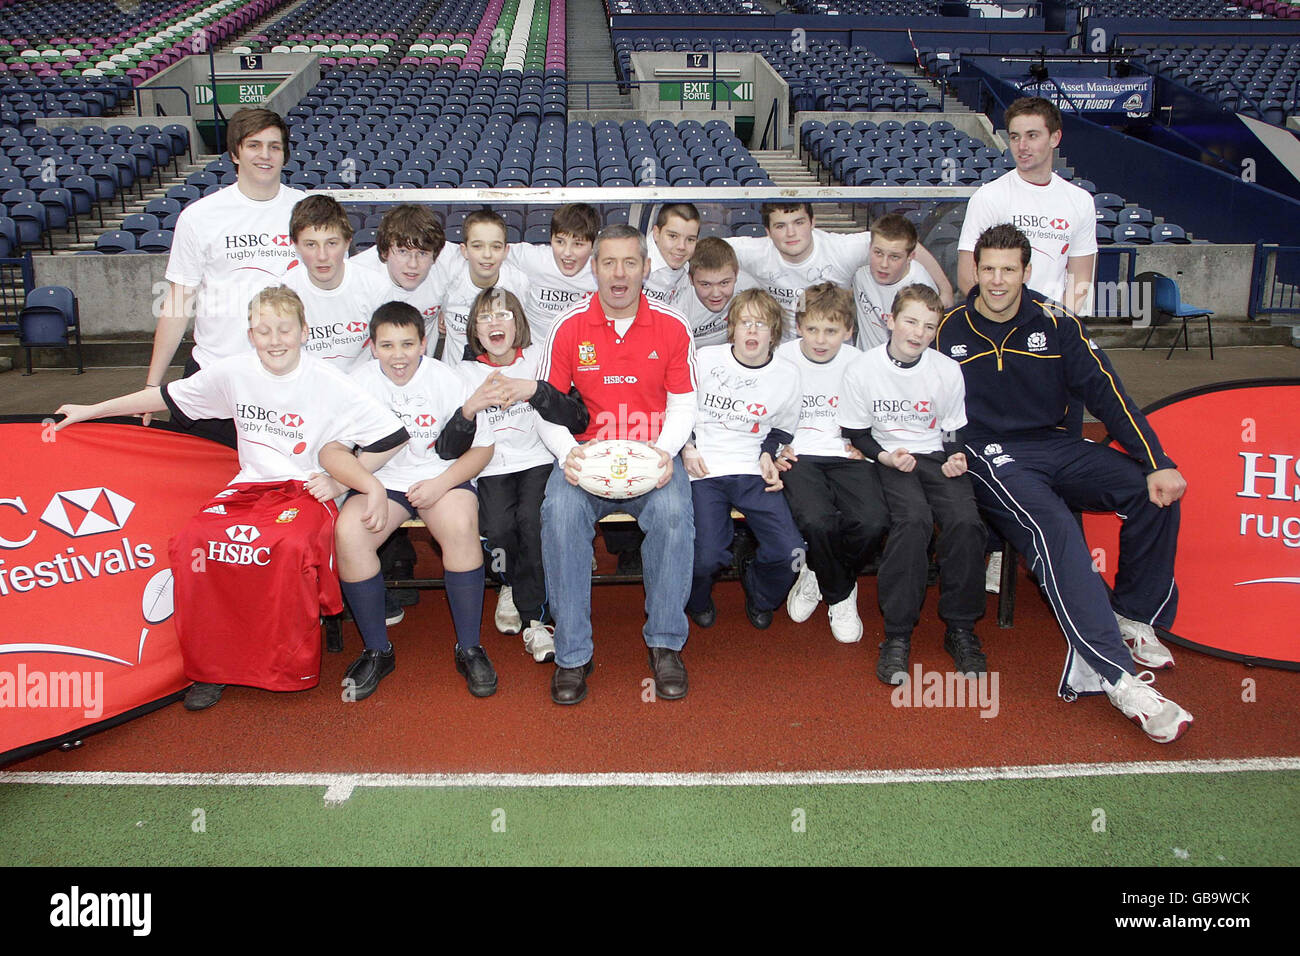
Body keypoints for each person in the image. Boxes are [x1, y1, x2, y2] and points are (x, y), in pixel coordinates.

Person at [55, 286, 408, 711]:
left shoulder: (328, 381)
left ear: (304, 331)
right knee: (193, 542)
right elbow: (165, 396)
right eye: (263, 331)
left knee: (287, 548)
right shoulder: (233, 372)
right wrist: (90, 410)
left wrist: (338, 484)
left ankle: (283, 665)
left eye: (284, 330)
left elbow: (393, 437)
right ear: (250, 334)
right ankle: (212, 668)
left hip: (302, 491)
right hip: (248, 487)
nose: (275, 340)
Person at [937, 224, 1192, 743]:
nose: (998, 280)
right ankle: (1118, 676)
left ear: (1027, 272)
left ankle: (1133, 616)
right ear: (976, 271)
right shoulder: (950, 329)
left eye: (1009, 269)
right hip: (990, 453)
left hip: (1055, 444)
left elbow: (1108, 394)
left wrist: (1156, 459)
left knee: (1151, 491)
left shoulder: (1058, 323)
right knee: (1053, 526)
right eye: (988, 269)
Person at [535, 224, 697, 706]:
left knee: (672, 515)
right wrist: (569, 455)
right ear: (595, 268)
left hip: (651, 460)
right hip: (586, 460)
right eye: (609, 263)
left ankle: (666, 642)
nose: (619, 274)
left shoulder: (672, 325)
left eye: (630, 262)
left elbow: (684, 403)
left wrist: (663, 454)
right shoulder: (568, 327)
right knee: (559, 514)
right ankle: (571, 652)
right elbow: (547, 406)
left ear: (647, 268)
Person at [328, 302, 497, 700]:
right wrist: (364, 483)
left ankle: (469, 646)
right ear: (372, 346)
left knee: (460, 525)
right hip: (381, 481)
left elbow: (483, 449)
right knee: (349, 533)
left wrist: (441, 484)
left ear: (425, 343)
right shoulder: (358, 382)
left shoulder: (447, 379)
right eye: (387, 345)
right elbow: (334, 449)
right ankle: (377, 648)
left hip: (440, 478)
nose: (398, 355)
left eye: (407, 343)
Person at [838, 284, 987, 684]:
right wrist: (884, 456)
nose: (918, 333)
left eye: (928, 326)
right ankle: (898, 635)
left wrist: (957, 457)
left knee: (966, 522)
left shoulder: (947, 370)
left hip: (935, 457)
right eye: (910, 321)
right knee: (913, 522)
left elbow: (954, 431)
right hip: (889, 457)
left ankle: (960, 628)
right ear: (890, 321)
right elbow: (856, 432)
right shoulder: (863, 369)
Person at [145, 108, 304, 446]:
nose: (265, 155)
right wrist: (152, 385)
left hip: (287, 380)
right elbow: (177, 302)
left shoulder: (308, 212)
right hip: (213, 377)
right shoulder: (200, 217)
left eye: (275, 147)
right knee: (201, 485)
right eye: (254, 145)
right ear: (235, 153)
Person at [457, 286, 590, 662]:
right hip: (489, 465)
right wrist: (470, 408)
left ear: (518, 324)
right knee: (498, 529)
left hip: (536, 459)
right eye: (485, 317)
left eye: (503, 315)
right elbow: (450, 442)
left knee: (532, 522)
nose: (495, 323)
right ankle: (509, 583)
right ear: (475, 330)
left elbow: (577, 415)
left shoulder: (537, 358)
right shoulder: (464, 372)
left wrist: (535, 391)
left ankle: (536, 620)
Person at [774, 282, 890, 643]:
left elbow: (882, 411)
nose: (820, 340)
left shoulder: (861, 363)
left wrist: (869, 445)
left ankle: (818, 567)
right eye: (811, 329)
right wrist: (773, 448)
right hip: (800, 453)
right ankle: (840, 594)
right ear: (798, 326)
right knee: (816, 520)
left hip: (847, 454)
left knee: (873, 522)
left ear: (849, 330)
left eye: (831, 331)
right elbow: (761, 407)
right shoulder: (781, 357)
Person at [683, 289, 803, 630]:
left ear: (774, 332)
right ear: (731, 327)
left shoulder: (787, 375)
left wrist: (768, 453)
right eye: (745, 323)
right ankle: (698, 598)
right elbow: (677, 410)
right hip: (703, 470)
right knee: (706, 556)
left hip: (753, 470)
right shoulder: (704, 360)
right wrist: (686, 447)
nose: (752, 331)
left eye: (761, 324)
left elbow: (782, 429)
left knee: (792, 553)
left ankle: (759, 591)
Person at [727, 202, 953, 341]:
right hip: (784, 352)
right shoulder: (754, 252)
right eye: (780, 226)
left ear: (813, 222)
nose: (790, 233)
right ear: (767, 231)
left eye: (798, 222)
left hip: (837, 352)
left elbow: (905, 244)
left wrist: (945, 289)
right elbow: (705, 250)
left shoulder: (841, 250)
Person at [957, 96, 1097, 315]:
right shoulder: (988, 197)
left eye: (1032, 136)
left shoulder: (1080, 201)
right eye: (1015, 137)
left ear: (1055, 137)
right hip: (998, 324)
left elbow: (1080, 280)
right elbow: (967, 276)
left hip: (1052, 325)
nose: (1022, 146)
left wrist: (1058, 323)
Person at [280, 195, 390, 373]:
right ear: (296, 246)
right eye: (310, 244)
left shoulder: (375, 288)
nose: (322, 256)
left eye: (331, 243)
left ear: (347, 242)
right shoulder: (284, 294)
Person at [352, 203, 458, 342]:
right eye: (403, 252)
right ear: (385, 252)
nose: (413, 264)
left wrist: (450, 306)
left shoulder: (448, 259)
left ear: (435, 255)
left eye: (422, 253)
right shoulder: (358, 276)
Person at [436, 209, 528, 365]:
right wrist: (441, 312)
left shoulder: (518, 283)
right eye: (478, 246)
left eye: (496, 247)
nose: (487, 254)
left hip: (501, 378)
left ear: (506, 251)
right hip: (456, 378)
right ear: (464, 250)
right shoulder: (449, 279)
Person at [507, 202, 600, 344]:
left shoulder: (603, 270)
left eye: (578, 244)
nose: (567, 252)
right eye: (560, 242)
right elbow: (493, 250)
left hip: (582, 350)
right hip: (536, 349)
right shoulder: (536, 259)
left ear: (593, 247)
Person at [851, 213, 939, 350]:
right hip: (864, 362)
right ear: (869, 248)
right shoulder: (858, 269)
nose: (884, 264)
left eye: (894, 257)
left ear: (911, 257)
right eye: (878, 253)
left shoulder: (922, 289)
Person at [681, 237, 758, 348]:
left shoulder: (749, 288)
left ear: (736, 275)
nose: (716, 294)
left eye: (724, 283)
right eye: (706, 284)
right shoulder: (678, 305)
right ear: (691, 279)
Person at [644, 203, 701, 309]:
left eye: (690, 239)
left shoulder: (685, 267)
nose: (681, 246)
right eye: (673, 236)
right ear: (656, 233)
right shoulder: (633, 265)